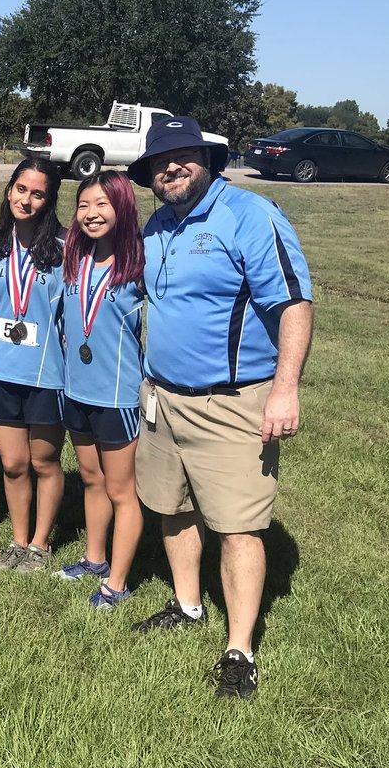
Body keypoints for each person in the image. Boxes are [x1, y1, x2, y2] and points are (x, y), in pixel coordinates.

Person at [125, 117, 313, 699]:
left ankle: (240, 649)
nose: (172, 167)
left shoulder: (251, 216)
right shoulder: (158, 223)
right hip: (161, 398)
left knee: (237, 526)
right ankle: (187, 605)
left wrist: (285, 388)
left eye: (183, 155)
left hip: (232, 404)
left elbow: (294, 304)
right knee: (171, 507)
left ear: (208, 158)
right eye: (161, 160)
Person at [54, 171, 146, 609]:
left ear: (122, 207)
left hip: (117, 396)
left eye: (102, 205)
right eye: (84, 205)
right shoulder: (76, 260)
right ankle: (94, 558)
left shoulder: (139, 266)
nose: (91, 214)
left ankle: (118, 581)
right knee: (91, 479)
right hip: (77, 390)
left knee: (121, 490)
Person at [0, 158, 68, 575]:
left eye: (38, 193)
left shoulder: (66, 247)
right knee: (13, 464)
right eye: (21, 189)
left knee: (44, 463)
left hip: (46, 375)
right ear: (9, 190)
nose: (27, 199)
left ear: (49, 199)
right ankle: (18, 540)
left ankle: (40, 544)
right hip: (0, 370)